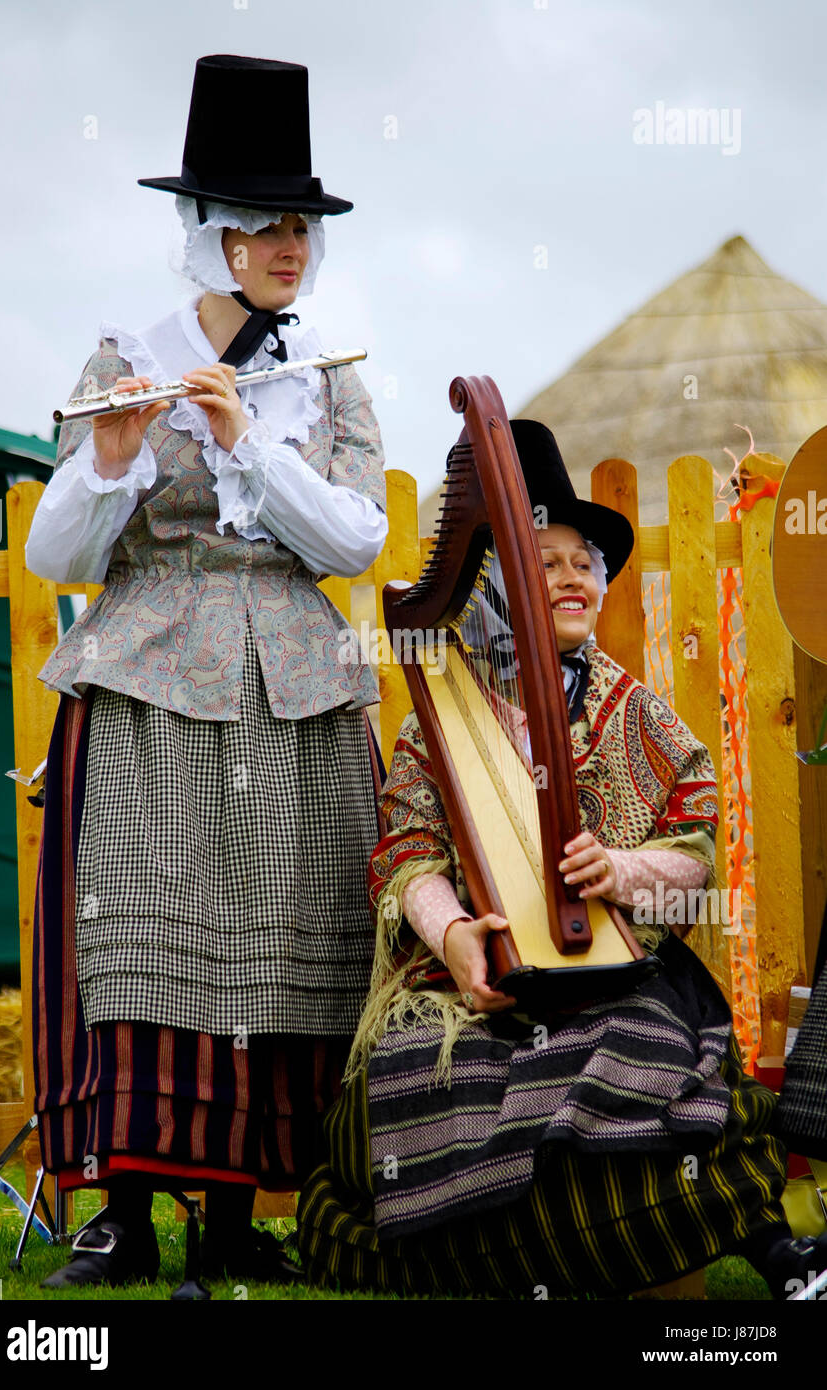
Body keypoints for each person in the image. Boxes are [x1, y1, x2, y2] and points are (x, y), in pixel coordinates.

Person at [296, 419, 827, 1299]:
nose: (574, 575)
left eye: (586, 562)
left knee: (641, 1060)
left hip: (618, 973)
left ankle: (774, 1255)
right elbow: (406, 854)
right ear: (497, 584)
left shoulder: (643, 715)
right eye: (545, 561)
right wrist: (456, 936)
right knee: (431, 1079)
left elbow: (697, 842)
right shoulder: (439, 719)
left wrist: (621, 872)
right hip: (470, 986)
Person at [25, 55, 386, 1287]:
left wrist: (249, 445)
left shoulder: (327, 374)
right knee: (138, 930)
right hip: (150, 681)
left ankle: (232, 1224)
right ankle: (121, 1218)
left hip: (293, 681)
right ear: (213, 233)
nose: (293, 246)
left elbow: (356, 540)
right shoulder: (126, 354)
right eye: (270, 224)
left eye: (304, 226)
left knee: (274, 942)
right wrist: (111, 458)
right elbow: (55, 556)